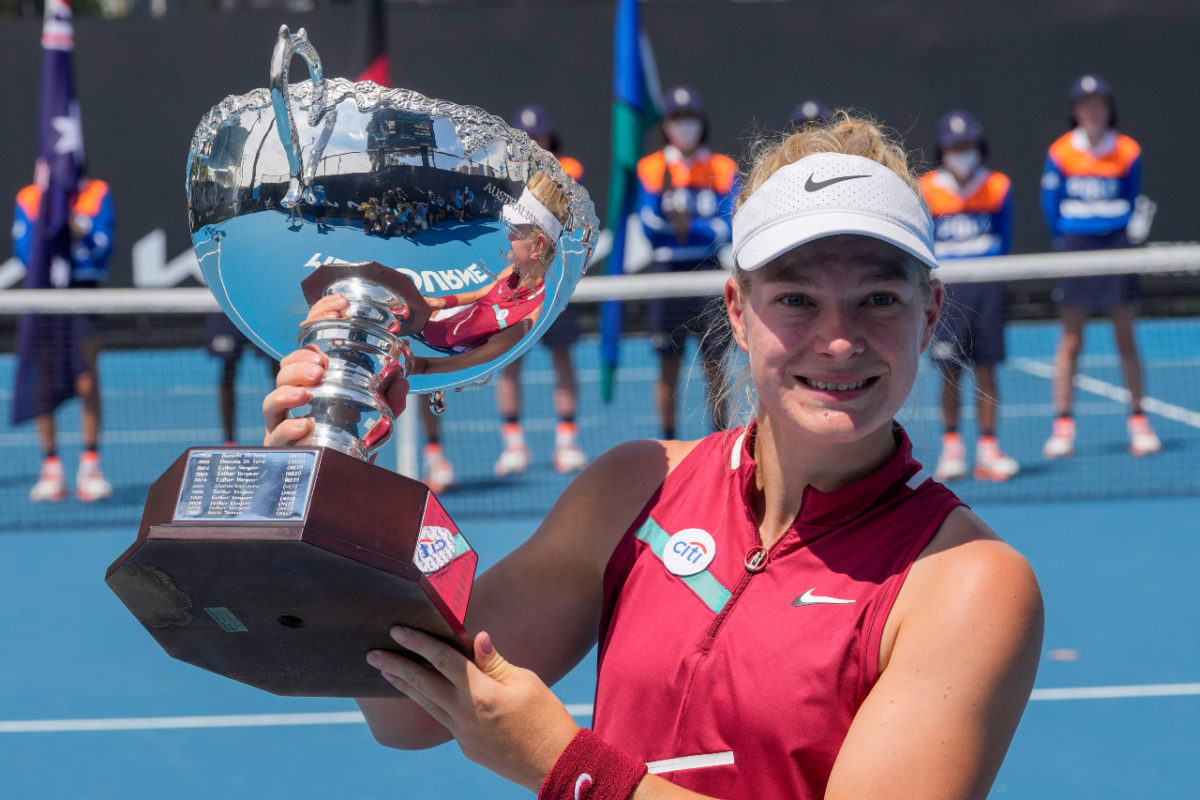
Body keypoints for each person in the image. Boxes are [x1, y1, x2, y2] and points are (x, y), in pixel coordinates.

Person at [264, 114, 1043, 799]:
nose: (838, 341)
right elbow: (406, 710)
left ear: (929, 313)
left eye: (879, 299)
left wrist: (565, 767)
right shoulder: (637, 486)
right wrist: (343, 488)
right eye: (796, 300)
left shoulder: (968, 583)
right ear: (739, 312)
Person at [416, 172, 570, 491]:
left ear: (538, 245)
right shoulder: (511, 271)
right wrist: (436, 302)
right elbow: (478, 294)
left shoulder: (530, 316)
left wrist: (430, 368)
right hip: (433, 327)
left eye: (516, 232)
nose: (508, 236)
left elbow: (480, 357)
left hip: (437, 347)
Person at [1040, 74, 1161, 458]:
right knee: (1071, 339)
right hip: (1076, 247)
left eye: (1098, 105)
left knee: (1125, 335)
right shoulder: (1061, 152)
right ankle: (1063, 426)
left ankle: (1139, 421)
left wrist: (1123, 231)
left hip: (1116, 247)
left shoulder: (1127, 151)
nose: (1092, 112)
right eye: (1085, 105)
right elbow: (1051, 206)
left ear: (1109, 110)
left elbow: (1132, 196)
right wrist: (1067, 239)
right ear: (1075, 112)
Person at [920, 110, 1020, 482]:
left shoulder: (998, 186)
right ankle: (952, 449)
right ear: (943, 149)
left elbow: (1004, 239)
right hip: (948, 291)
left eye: (967, 145)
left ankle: (989, 448)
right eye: (955, 146)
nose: (962, 153)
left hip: (988, 287)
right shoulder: (926, 189)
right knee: (949, 372)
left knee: (987, 369)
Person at [637, 86, 739, 439]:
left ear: (702, 122)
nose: (684, 126)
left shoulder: (722, 168)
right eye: (676, 119)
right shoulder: (651, 168)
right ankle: (667, 441)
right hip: (666, 275)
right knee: (668, 362)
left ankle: (721, 438)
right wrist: (685, 227)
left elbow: (728, 227)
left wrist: (687, 227)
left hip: (708, 273)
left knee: (715, 361)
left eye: (690, 118)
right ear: (665, 125)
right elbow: (648, 224)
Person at [491, 104, 588, 477]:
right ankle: (514, 443)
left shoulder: (570, 171)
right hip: (515, 286)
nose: (533, 142)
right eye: (526, 136)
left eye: (538, 135)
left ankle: (567, 440)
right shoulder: (503, 178)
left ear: (549, 137)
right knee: (509, 361)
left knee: (562, 357)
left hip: (556, 283)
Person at [13, 170, 115, 502]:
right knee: (43, 384)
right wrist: (53, 234)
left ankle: (91, 466)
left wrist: (77, 232)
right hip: (45, 298)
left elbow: (104, 246)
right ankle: (51, 468)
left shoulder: (97, 192)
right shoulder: (29, 197)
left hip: (84, 296)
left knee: (87, 382)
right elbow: (25, 253)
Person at [205, 313, 279, 445]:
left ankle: (282, 432)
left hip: (263, 312)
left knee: (277, 367)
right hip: (228, 314)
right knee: (228, 371)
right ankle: (229, 441)